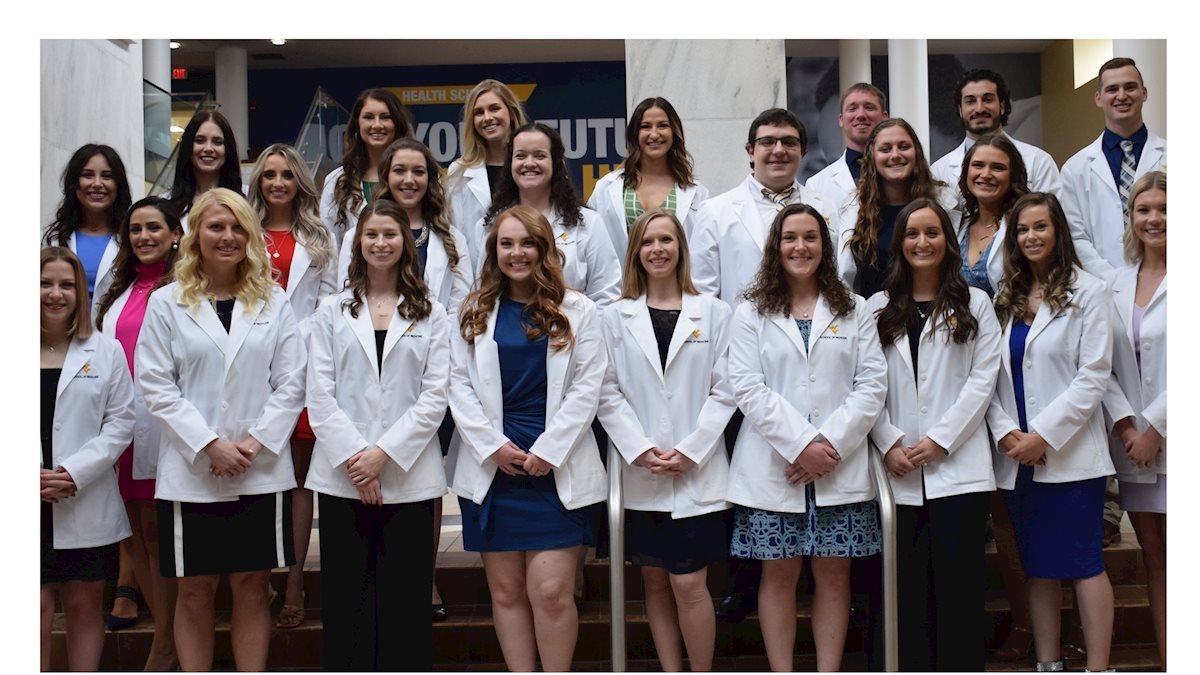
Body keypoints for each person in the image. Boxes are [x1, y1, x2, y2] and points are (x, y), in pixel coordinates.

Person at [136, 188, 306, 671]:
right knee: (194, 589)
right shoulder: (168, 303)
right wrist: (209, 444)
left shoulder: (274, 300)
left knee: (253, 584)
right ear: (195, 236)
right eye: (216, 226)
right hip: (192, 470)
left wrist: (253, 444)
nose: (227, 237)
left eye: (237, 227)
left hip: (259, 466)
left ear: (250, 235)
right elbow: (155, 384)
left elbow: (292, 383)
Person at [725, 203, 886, 671]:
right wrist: (802, 446)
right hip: (777, 465)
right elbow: (746, 386)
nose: (800, 247)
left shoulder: (852, 307)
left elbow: (872, 383)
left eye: (810, 237)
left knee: (834, 577)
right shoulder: (751, 310)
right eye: (790, 237)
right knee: (778, 575)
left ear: (825, 245)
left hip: (839, 463)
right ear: (776, 245)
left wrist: (828, 446)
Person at [448, 205, 608, 671]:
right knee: (507, 592)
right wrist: (491, 447)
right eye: (506, 243)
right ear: (494, 251)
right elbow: (456, 385)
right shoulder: (474, 309)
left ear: (545, 250)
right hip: (494, 467)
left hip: (556, 467)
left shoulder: (580, 310)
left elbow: (588, 386)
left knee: (553, 592)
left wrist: (549, 450)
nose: (516, 253)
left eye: (527, 243)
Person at [306, 199, 450, 670]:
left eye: (390, 234)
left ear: (405, 243)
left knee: (406, 603)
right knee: (348, 600)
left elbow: (435, 396)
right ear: (358, 242)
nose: (381, 243)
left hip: (407, 476)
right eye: (372, 235)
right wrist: (357, 459)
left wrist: (381, 455)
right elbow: (320, 395)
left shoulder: (432, 312)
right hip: (342, 476)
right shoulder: (331, 311)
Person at [337, 137, 474, 621]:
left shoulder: (449, 235)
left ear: (430, 179)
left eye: (419, 171)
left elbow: (462, 305)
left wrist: (443, 355)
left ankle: (426, 574)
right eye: (400, 171)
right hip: (367, 377)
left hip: (428, 368)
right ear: (386, 176)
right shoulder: (365, 228)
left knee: (422, 482)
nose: (409, 179)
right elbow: (344, 296)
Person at [866, 199, 1002, 671]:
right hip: (897, 471)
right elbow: (866, 387)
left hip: (958, 470)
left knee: (960, 591)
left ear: (948, 241)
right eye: (911, 234)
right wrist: (887, 442)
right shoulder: (875, 309)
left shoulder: (975, 302)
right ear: (899, 244)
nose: (922, 243)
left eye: (932, 233)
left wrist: (942, 440)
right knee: (905, 594)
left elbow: (983, 381)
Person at [596, 209, 734, 672]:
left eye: (667, 240)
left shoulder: (714, 312)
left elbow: (727, 388)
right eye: (648, 241)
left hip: (697, 471)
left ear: (681, 249)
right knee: (654, 582)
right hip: (643, 471)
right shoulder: (613, 317)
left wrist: (692, 451)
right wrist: (639, 449)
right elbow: (606, 390)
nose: (657, 249)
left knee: (690, 584)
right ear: (636, 251)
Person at [988, 192, 1115, 673]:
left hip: (1070, 454)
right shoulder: (1007, 298)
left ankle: (1098, 667)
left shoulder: (1090, 291)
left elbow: (1093, 375)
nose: (1031, 237)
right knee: (1037, 566)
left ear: (1058, 231)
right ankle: (1048, 663)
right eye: (1023, 230)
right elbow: (991, 376)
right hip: (1017, 457)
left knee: (1083, 563)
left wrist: (1042, 434)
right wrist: (1007, 434)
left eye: (1040, 227)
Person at [246, 143, 338, 629]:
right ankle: (258, 577)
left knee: (301, 480)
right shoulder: (241, 230)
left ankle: (296, 578)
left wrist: (292, 345)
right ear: (258, 181)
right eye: (269, 174)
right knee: (261, 476)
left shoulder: (318, 235)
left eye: (286, 174)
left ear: (299, 181)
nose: (277, 183)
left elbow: (328, 302)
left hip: (301, 365)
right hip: (249, 366)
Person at [92, 197, 184, 670]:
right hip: (120, 427)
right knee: (132, 534)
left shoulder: (185, 286)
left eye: (154, 228)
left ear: (174, 234)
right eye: (135, 230)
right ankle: (163, 634)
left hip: (160, 427)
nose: (144, 237)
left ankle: (166, 642)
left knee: (155, 531)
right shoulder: (120, 290)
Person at [40, 247, 135, 672]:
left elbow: (120, 423)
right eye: (44, 283)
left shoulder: (106, 350)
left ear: (80, 292)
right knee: (33, 610)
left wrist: (73, 473)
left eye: (65, 285)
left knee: (83, 607)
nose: (54, 294)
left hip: (84, 495)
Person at [1102, 171, 1166, 669]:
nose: (1154, 218)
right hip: (1133, 446)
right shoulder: (1116, 282)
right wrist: (1127, 427)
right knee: (1154, 559)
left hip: (1173, 439)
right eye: (1144, 210)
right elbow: (1102, 364)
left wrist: (1157, 429)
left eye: (1164, 209)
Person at [690, 108, 838, 307]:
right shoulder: (714, 212)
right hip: (741, 334)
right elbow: (703, 296)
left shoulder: (826, 208)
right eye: (767, 142)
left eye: (789, 142)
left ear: (802, 152)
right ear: (751, 152)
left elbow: (834, 279)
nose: (778, 150)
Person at [480, 122, 621, 308]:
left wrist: (588, 334)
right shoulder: (489, 226)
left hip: (575, 333)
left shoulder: (588, 223)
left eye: (540, 156)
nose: (529, 163)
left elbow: (606, 295)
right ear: (510, 164)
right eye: (520, 156)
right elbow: (481, 291)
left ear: (555, 163)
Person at [1061, 57, 1166, 275]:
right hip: (1102, 285)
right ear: (1099, 98)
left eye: (1130, 87)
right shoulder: (1075, 168)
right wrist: (1111, 279)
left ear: (1144, 93)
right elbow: (1075, 237)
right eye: (1112, 89)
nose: (1121, 96)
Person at [837, 118, 956, 298]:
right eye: (885, 149)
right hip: (873, 318)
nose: (895, 155)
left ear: (916, 152)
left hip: (934, 313)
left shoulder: (944, 201)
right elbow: (846, 276)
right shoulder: (854, 207)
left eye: (903, 147)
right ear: (872, 157)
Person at [587, 97, 709, 259]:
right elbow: (590, 241)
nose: (654, 134)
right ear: (635, 134)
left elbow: (704, 251)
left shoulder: (697, 193)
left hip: (676, 284)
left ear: (674, 132)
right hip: (622, 283)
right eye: (645, 126)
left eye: (663, 126)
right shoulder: (607, 187)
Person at [931, 68, 1062, 205]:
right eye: (970, 101)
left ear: (1002, 106)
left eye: (987, 99)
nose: (979, 108)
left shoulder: (1039, 162)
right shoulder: (939, 170)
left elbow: (1053, 220)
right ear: (960, 110)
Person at [446, 79, 529, 268]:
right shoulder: (459, 172)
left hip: (526, 268)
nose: (487, 117)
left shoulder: (533, 165)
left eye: (494, 108)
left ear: (511, 112)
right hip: (478, 275)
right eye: (478, 113)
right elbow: (453, 233)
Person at [320, 88, 413, 253]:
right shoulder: (337, 180)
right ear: (357, 124)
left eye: (385, 117)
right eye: (368, 117)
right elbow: (329, 244)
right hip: (353, 276)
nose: (377, 125)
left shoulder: (415, 179)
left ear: (397, 124)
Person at [43, 144, 133, 304]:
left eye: (107, 176)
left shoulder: (132, 239)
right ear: (74, 183)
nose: (97, 184)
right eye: (87, 175)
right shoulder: (50, 239)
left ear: (118, 185)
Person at [956, 133, 1030, 297]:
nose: (986, 174)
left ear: (1013, 176)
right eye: (978, 165)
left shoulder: (1022, 226)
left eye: (998, 167)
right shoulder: (958, 225)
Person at [805, 83, 889, 210]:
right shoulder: (816, 185)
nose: (861, 115)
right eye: (853, 108)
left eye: (869, 107)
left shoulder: (905, 174)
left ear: (885, 118)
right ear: (841, 120)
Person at [161, 110, 244, 230]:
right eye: (200, 140)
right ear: (188, 147)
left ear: (228, 149)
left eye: (217, 142)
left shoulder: (248, 200)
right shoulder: (165, 205)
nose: (208, 148)